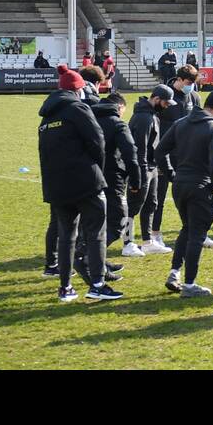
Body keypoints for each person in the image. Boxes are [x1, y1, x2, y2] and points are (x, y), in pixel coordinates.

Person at [39, 65, 121, 302]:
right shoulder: (79, 109)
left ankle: (65, 287)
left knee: (66, 236)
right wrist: (95, 169)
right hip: (85, 182)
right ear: (78, 89)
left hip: (57, 186)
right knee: (95, 232)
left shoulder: (46, 117)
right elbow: (98, 142)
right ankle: (97, 284)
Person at [155, 88, 213, 298]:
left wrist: (171, 175)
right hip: (200, 185)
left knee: (187, 229)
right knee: (196, 234)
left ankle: (174, 272)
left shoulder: (181, 123)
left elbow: (160, 151)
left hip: (180, 184)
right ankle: (189, 284)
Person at [83, 92, 143, 270]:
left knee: (94, 221)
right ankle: (86, 255)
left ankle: (97, 260)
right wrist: (136, 181)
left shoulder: (88, 120)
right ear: (120, 107)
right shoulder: (117, 124)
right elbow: (130, 155)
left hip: (88, 177)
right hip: (112, 179)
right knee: (117, 222)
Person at [152, 65, 202, 250]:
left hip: (188, 155)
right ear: (179, 79)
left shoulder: (194, 97)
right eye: (189, 83)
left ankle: (196, 232)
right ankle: (154, 235)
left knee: (194, 195)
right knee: (158, 197)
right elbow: (154, 125)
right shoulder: (165, 96)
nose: (191, 86)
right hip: (166, 154)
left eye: (193, 83)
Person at [129, 85, 174, 255]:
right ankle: (128, 242)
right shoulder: (144, 119)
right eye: (165, 103)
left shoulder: (152, 116)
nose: (167, 106)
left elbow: (156, 146)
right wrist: (139, 174)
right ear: (156, 99)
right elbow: (140, 149)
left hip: (151, 167)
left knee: (151, 204)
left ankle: (148, 241)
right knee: (134, 206)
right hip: (144, 168)